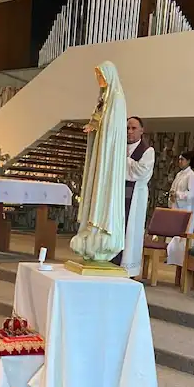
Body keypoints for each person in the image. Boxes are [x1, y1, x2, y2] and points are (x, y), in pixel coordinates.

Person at [70, 61, 127, 263]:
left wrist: (99, 126)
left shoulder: (117, 99)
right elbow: (100, 119)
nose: (99, 80)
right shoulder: (104, 98)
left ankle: (101, 230)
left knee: (104, 189)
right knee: (94, 187)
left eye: (101, 76)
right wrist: (93, 126)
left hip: (108, 155)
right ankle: (90, 230)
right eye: (98, 76)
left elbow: (112, 128)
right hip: (100, 152)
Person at [113, 115, 155, 277]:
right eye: (127, 128)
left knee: (130, 233)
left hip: (135, 196)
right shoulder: (119, 148)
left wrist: (123, 161)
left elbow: (140, 172)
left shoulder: (147, 151)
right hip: (117, 195)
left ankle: (127, 269)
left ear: (142, 131)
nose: (129, 131)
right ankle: (112, 261)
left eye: (133, 128)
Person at [166, 151, 194, 268]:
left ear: (189, 161)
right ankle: (171, 256)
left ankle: (181, 259)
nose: (180, 162)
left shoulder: (191, 175)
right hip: (176, 207)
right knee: (174, 233)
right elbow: (173, 188)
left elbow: (193, 194)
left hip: (185, 209)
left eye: (182, 159)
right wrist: (172, 194)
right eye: (179, 159)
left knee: (183, 234)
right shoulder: (179, 174)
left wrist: (179, 195)